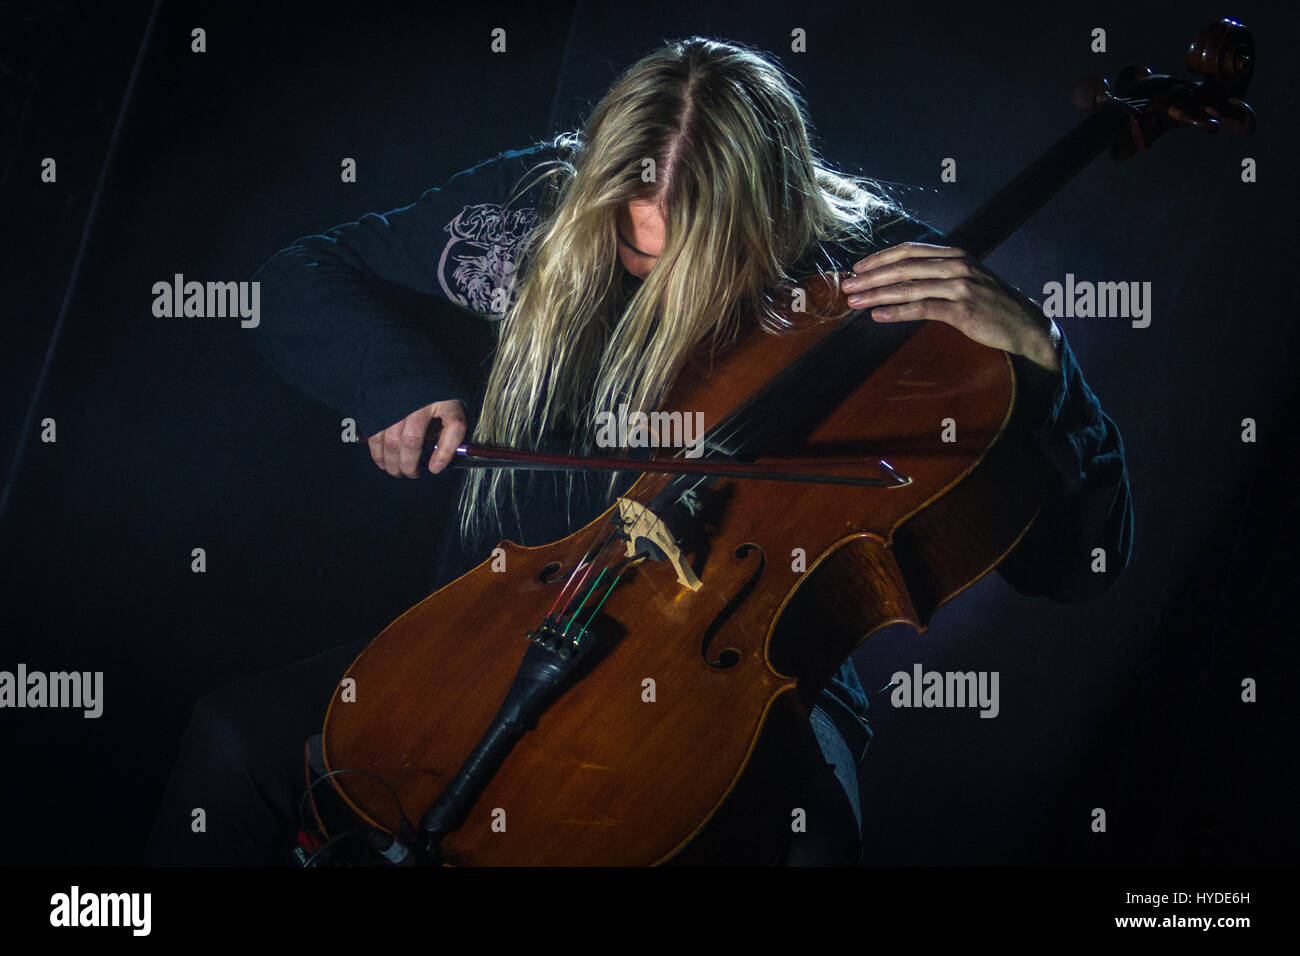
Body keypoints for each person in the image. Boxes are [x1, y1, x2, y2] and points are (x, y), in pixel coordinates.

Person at [145, 36, 1132, 866]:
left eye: (682, 248)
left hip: (739, 673)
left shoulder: (878, 281)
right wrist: (397, 388)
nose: (641, 255)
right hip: (510, 619)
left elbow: (1080, 564)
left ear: (768, 213)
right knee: (234, 744)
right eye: (625, 232)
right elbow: (303, 272)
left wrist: (1045, 366)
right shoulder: (538, 205)